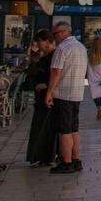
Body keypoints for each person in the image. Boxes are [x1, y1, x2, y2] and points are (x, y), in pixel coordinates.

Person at [45, 22, 88, 174]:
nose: (54, 37)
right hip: (77, 94)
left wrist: (49, 92)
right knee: (74, 128)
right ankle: (76, 160)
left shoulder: (62, 48)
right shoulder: (81, 47)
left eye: (55, 34)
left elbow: (56, 72)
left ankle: (67, 162)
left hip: (63, 93)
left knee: (64, 130)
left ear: (63, 32)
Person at [25, 30, 57, 166]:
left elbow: (56, 74)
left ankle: (45, 156)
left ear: (47, 41)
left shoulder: (53, 56)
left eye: (39, 41)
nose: (38, 44)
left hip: (47, 94)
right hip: (41, 94)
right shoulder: (43, 56)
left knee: (44, 126)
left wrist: (47, 87)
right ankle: (41, 155)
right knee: (41, 125)